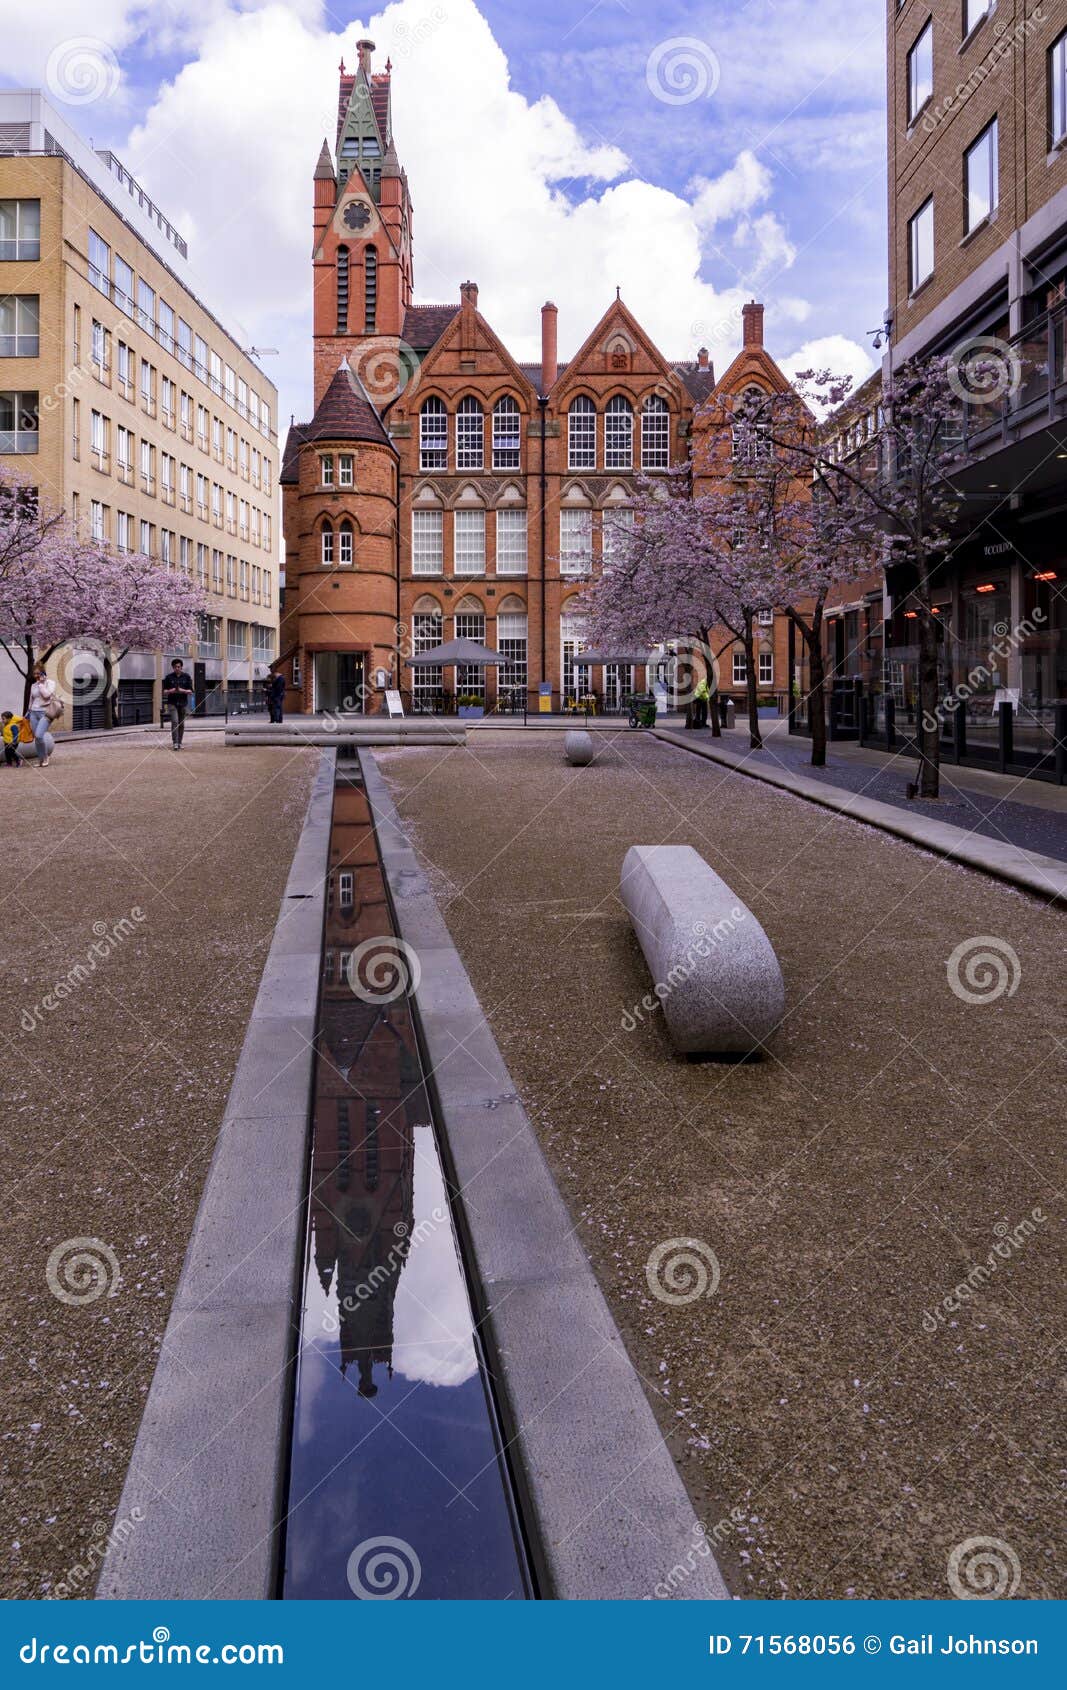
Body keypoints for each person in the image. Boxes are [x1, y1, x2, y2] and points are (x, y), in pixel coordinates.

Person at [27, 663, 59, 767]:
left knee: (39, 735)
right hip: (33, 713)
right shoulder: (33, 685)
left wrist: (41, 684)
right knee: (37, 738)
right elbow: (31, 699)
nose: (36, 675)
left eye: (38, 673)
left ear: (43, 673)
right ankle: (40, 759)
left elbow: (46, 695)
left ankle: (45, 757)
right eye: (34, 673)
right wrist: (28, 712)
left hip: (46, 713)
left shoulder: (50, 683)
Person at [163, 657, 194, 750]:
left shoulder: (187, 677)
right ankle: (175, 743)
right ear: (173, 667)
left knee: (181, 724)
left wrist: (182, 690)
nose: (177, 668)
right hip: (172, 703)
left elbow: (191, 691)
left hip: (183, 703)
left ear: (181, 667)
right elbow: (164, 691)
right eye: (175, 667)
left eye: (179, 667)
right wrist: (171, 691)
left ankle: (180, 742)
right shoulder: (168, 677)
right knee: (175, 721)